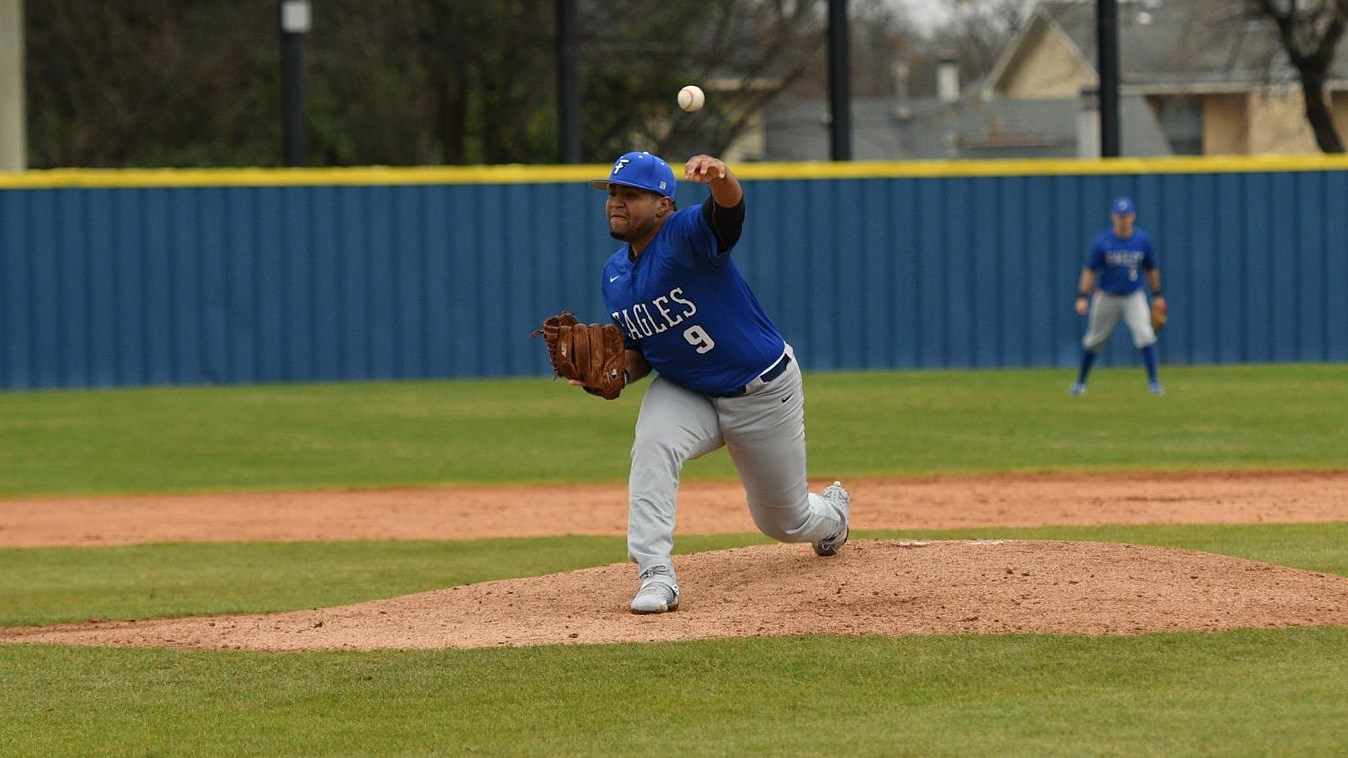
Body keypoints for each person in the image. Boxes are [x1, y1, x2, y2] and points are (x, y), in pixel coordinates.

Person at [584, 150, 850, 614]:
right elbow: (640, 352)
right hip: (686, 388)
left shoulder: (685, 235)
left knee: (784, 522)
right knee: (652, 443)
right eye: (613, 193)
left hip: (761, 389)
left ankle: (833, 519)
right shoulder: (614, 274)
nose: (616, 202)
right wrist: (617, 373)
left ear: (663, 205)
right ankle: (655, 572)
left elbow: (728, 212)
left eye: (631, 194)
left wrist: (722, 177)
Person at [1070, 196, 1166, 396]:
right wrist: (1082, 296)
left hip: (1133, 296)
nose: (1123, 219)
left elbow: (1151, 269)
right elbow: (1090, 270)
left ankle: (1154, 383)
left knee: (1145, 336)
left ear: (1133, 216)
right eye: (1120, 216)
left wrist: (1157, 295)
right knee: (1094, 340)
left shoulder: (1142, 240)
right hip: (1107, 295)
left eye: (1127, 215)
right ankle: (1080, 383)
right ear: (1113, 217)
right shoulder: (1103, 241)